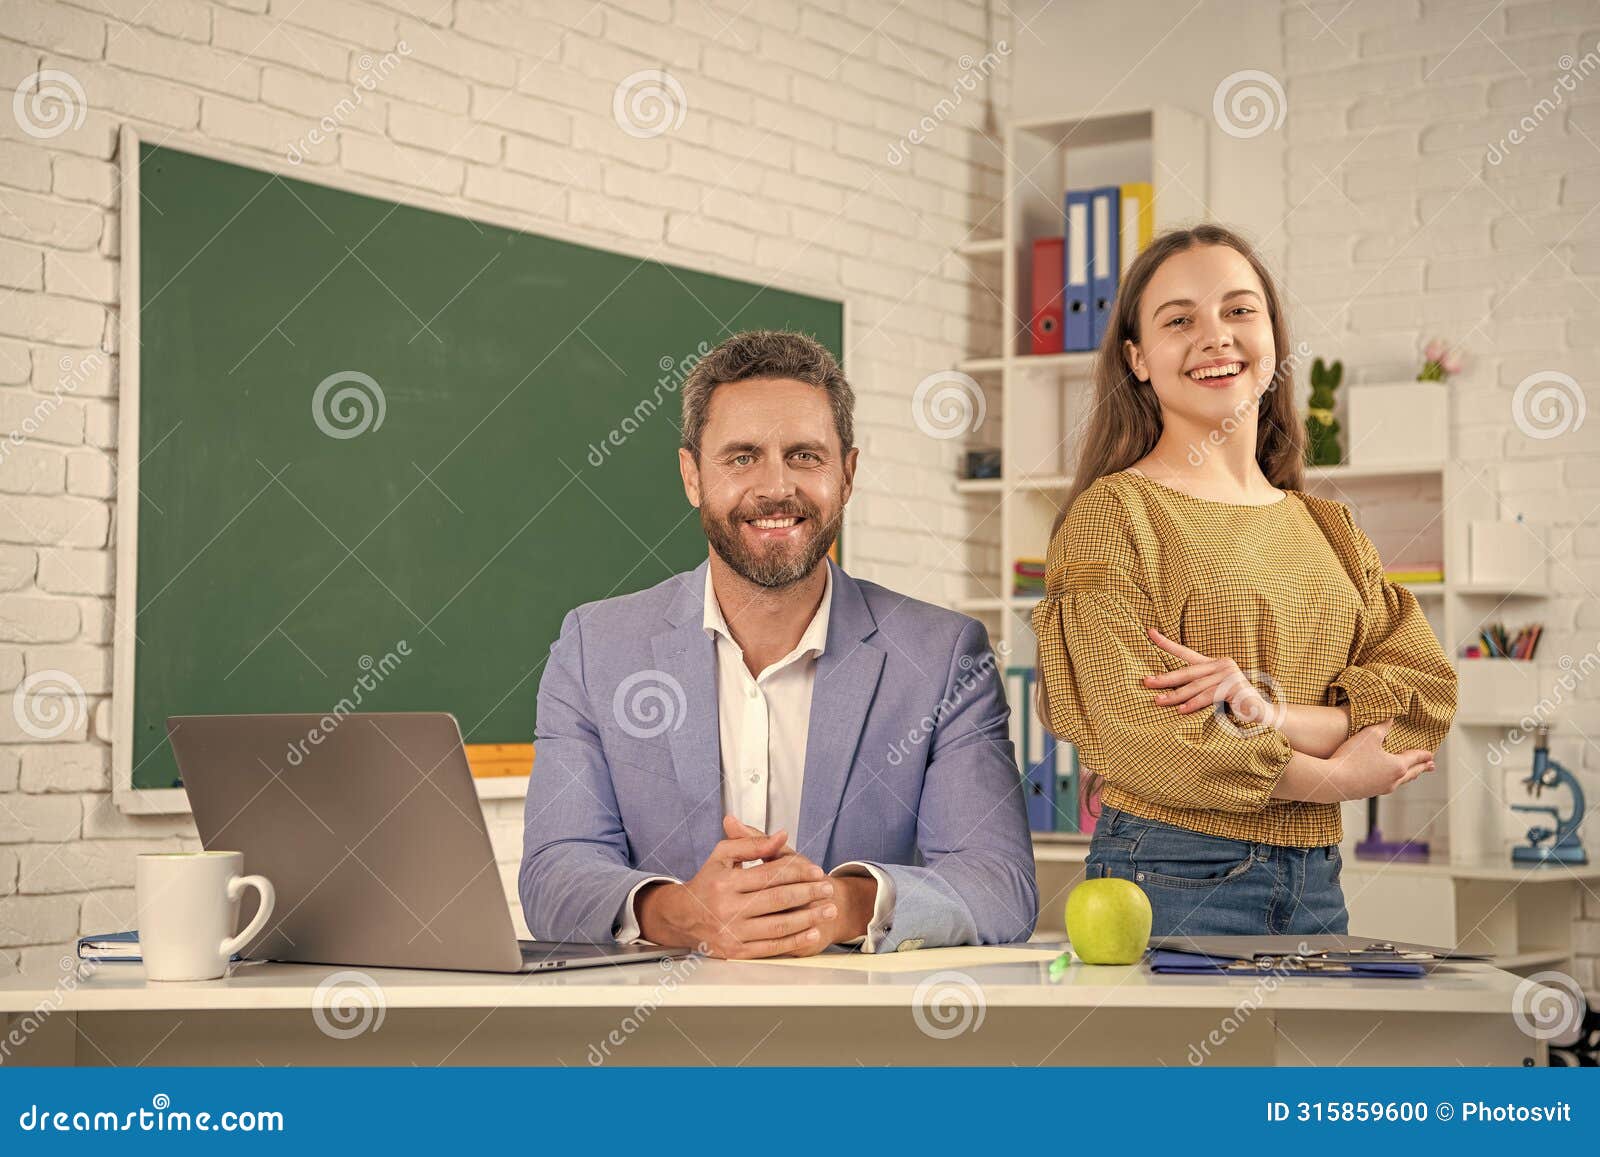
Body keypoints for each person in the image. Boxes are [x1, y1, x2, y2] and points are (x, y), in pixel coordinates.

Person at [520, 329, 1037, 958]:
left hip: (858, 1041)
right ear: (692, 475)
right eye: (741, 458)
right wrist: (682, 913)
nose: (775, 488)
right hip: (657, 1032)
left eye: (805, 456)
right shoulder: (594, 648)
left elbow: (1000, 883)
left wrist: (842, 906)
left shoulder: (942, 654)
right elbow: (555, 873)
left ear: (847, 475)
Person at [1030, 224, 1457, 938]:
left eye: (1238, 310)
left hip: (1317, 875)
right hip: (1171, 869)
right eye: (1179, 320)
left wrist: (1271, 713)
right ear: (1137, 358)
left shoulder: (1330, 528)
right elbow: (1141, 732)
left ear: (1272, 337)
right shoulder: (1113, 515)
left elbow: (1425, 697)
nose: (1215, 336)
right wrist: (1331, 778)